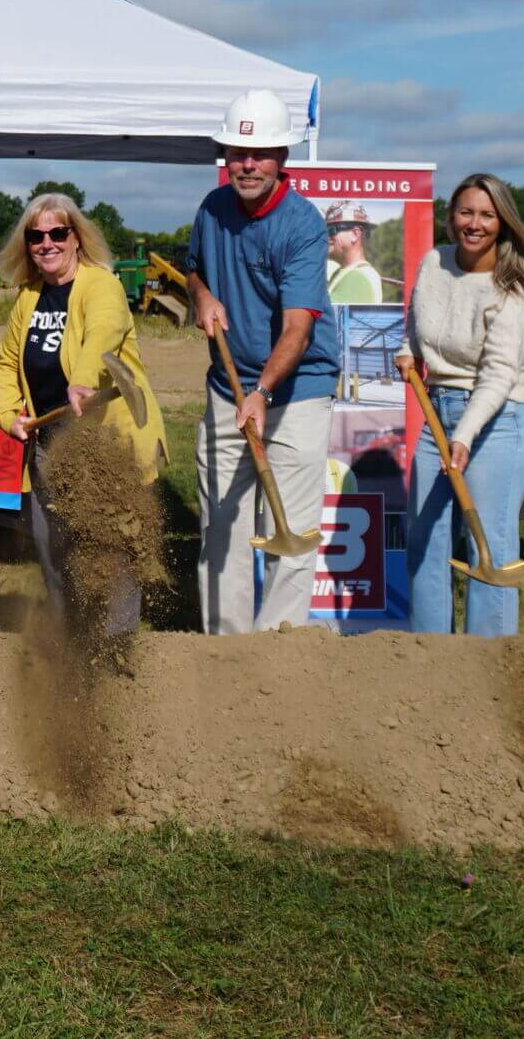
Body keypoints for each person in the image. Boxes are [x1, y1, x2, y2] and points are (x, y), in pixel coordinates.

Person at [187, 88, 338, 635]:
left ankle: (277, 659)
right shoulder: (211, 208)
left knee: (290, 533)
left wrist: (264, 393)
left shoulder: (302, 225)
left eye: (261, 153)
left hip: (295, 393)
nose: (247, 164)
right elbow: (194, 270)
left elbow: (298, 329)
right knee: (221, 530)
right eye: (237, 153)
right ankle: (226, 656)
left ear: (283, 158)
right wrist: (201, 296)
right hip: (227, 390)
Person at [0, 192, 165, 640]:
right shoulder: (28, 297)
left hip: (105, 448)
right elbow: (8, 363)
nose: (47, 243)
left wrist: (84, 379)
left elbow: (103, 333)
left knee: (110, 553)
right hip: (50, 448)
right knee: (56, 555)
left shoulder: (100, 285)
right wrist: (8, 414)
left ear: (76, 238)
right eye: (36, 236)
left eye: (57, 233)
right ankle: (73, 650)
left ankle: (114, 651)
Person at [396, 172, 524, 637]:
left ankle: (490, 667)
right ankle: (432, 658)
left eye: (486, 214)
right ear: (450, 216)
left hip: (499, 421)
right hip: (437, 411)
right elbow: (417, 316)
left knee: (490, 548)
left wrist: (465, 434)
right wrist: (408, 348)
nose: (474, 224)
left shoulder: (512, 288)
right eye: (466, 212)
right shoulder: (435, 262)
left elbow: (498, 374)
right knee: (424, 539)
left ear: (503, 223)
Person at [323, 201, 385, 303]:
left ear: (355, 234)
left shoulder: (357, 278)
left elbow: (321, 316)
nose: (327, 237)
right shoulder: (344, 272)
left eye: (331, 230)